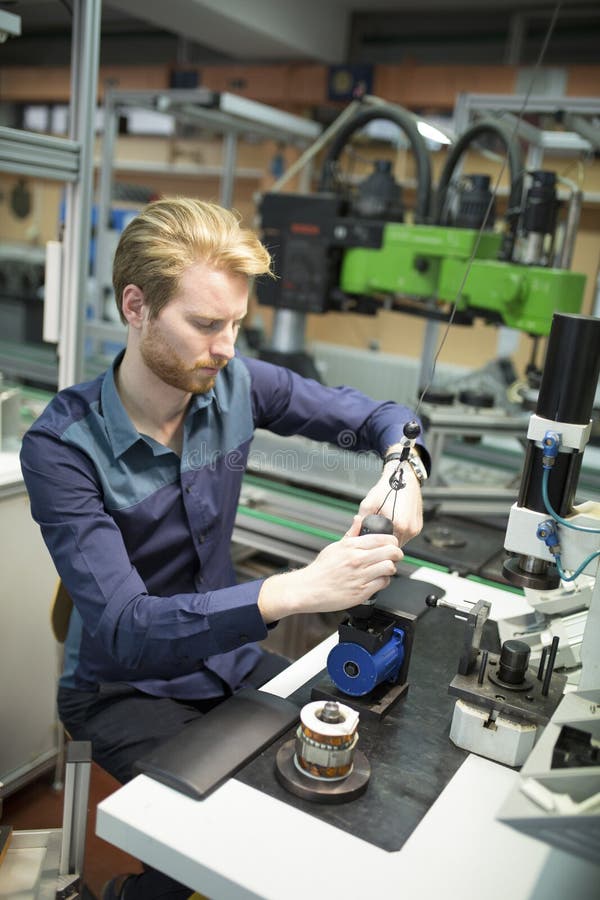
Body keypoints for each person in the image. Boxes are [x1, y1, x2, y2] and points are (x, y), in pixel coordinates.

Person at [20, 197, 429, 900]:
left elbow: (374, 416)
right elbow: (125, 627)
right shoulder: (63, 449)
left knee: (346, 768)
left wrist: (403, 466)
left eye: (236, 323)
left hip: (231, 662)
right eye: (206, 324)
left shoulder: (235, 385)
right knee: (234, 837)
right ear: (136, 306)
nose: (227, 347)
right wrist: (299, 590)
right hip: (124, 688)